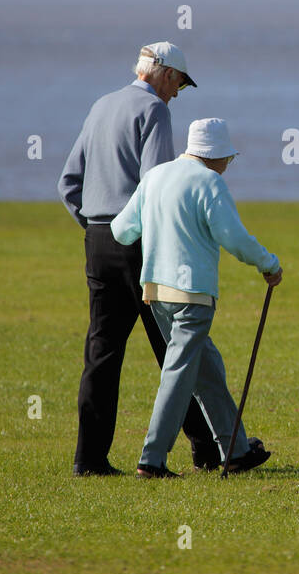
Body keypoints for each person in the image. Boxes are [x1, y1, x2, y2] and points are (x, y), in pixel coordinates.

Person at [57, 42, 218, 476]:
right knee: (175, 345)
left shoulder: (101, 105)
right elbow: (155, 186)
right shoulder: (154, 111)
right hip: (140, 243)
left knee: (102, 351)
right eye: (179, 83)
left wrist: (98, 226)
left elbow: (68, 183)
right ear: (164, 74)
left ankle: (89, 459)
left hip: (97, 240)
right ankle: (209, 449)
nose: (177, 93)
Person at [111, 118, 282, 478]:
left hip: (155, 294)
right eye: (227, 159)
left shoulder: (155, 176)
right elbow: (234, 237)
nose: (227, 166)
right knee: (178, 376)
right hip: (193, 297)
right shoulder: (209, 182)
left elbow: (121, 230)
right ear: (214, 156)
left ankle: (235, 450)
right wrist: (268, 263)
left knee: (207, 370)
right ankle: (151, 460)